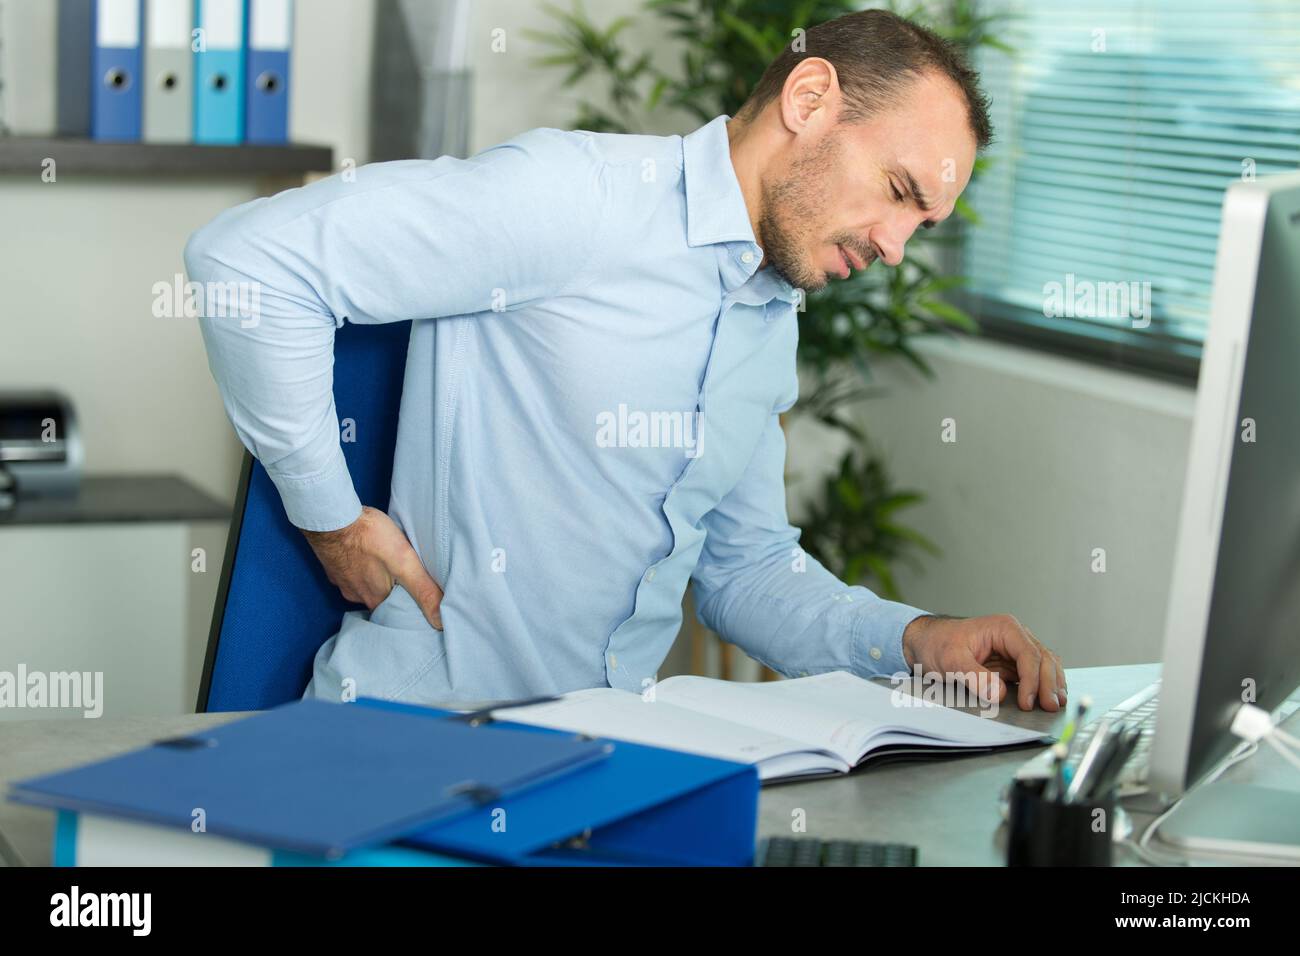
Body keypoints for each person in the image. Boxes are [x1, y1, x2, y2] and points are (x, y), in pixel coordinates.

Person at [186, 9, 1067, 710]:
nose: (895, 248)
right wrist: (331, 521)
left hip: (598, 771)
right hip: (420, 747)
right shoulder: (578, 200)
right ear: (809, 101)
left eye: (922, 225)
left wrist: (916, 641)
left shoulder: (768, 317)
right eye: (898, 193)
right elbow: (247, 265)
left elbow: (745, 571)